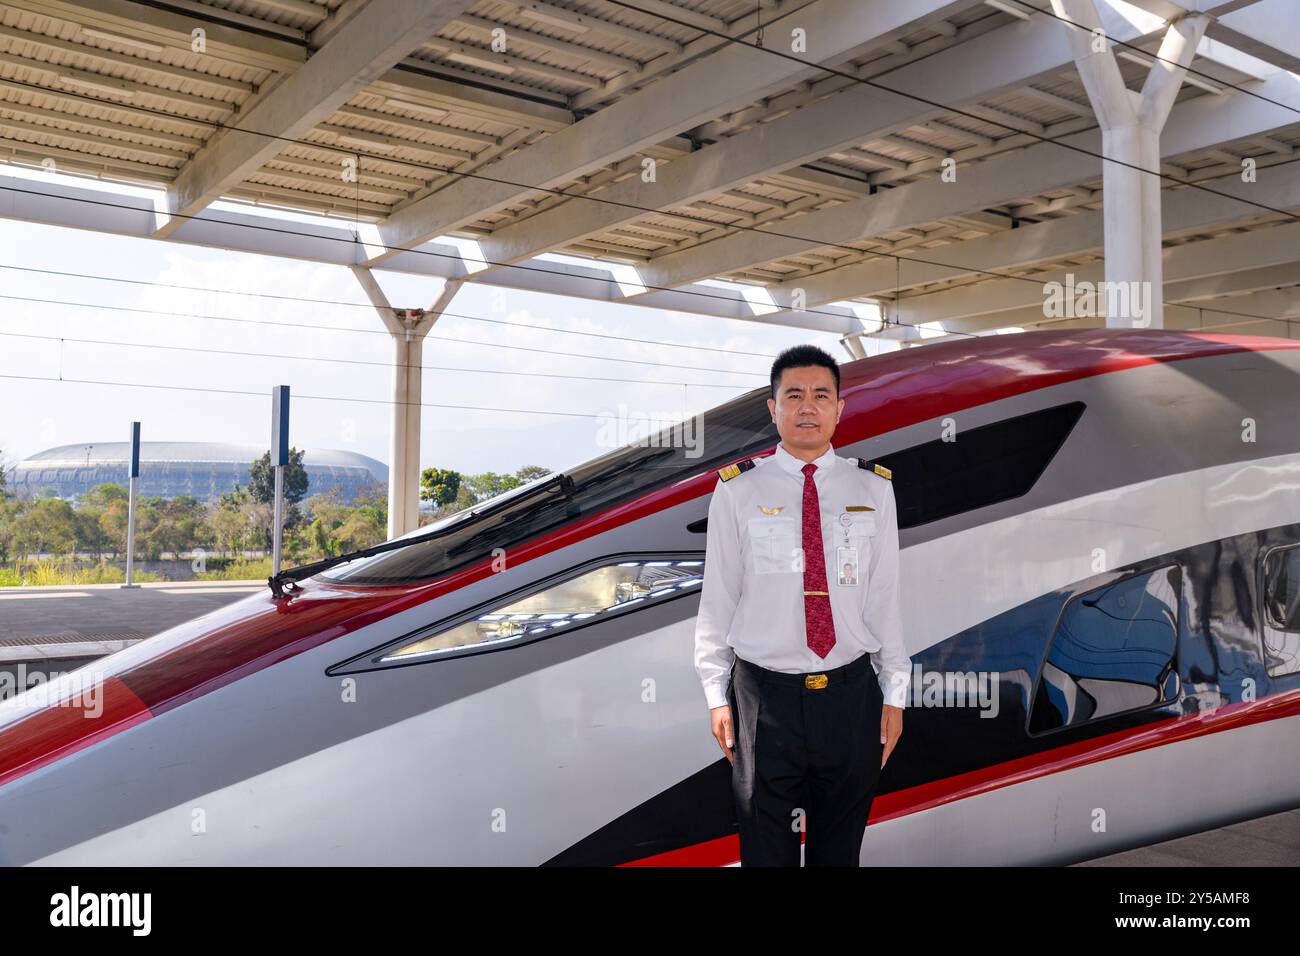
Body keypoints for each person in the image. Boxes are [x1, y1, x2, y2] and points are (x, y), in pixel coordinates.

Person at [694, 344, 909, 866]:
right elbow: (718, 595)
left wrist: (896, 692)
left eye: (821, 395)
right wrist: (715, 693)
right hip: (763, 698)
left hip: (850, 695)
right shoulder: (737, 490)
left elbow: (885, 595)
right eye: (794, 395)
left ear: (839, 407)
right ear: (773, 408)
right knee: (767, 855)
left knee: (839, 855)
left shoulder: (872, 489)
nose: (807, 406)